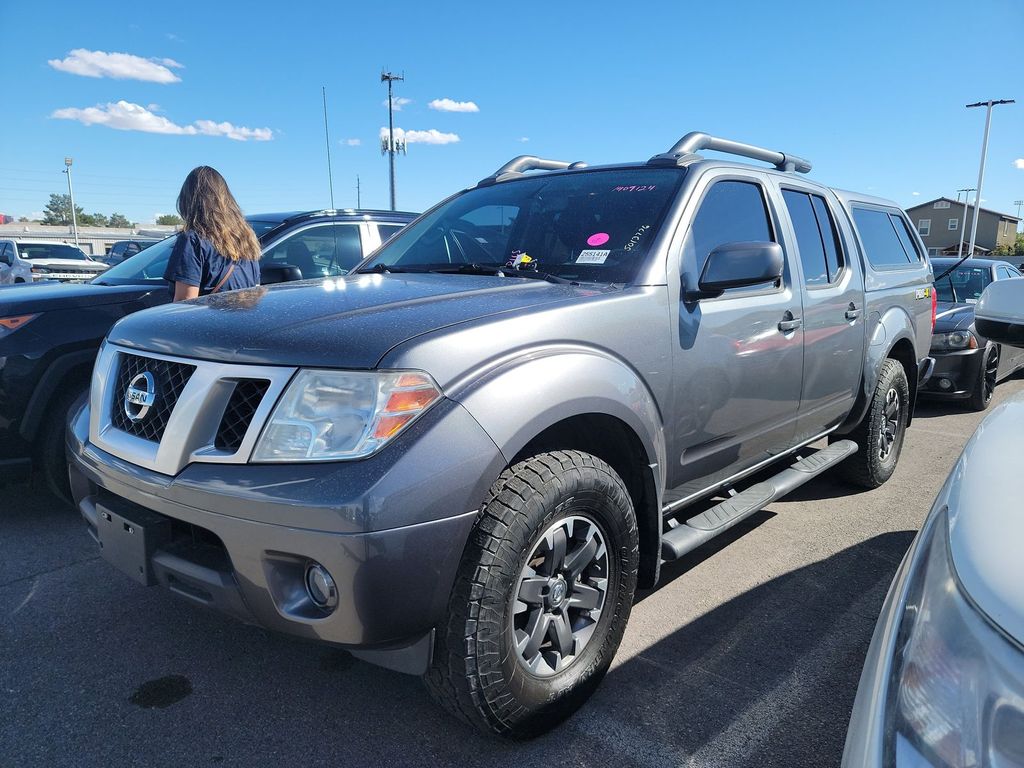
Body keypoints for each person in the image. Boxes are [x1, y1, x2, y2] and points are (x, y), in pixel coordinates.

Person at [163, 166, 261, 301]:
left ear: (188, 200)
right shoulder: (247, 240)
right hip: (243, 320)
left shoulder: (193, 239)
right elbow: (255, 291)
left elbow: (184, 304)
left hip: (209, 321)